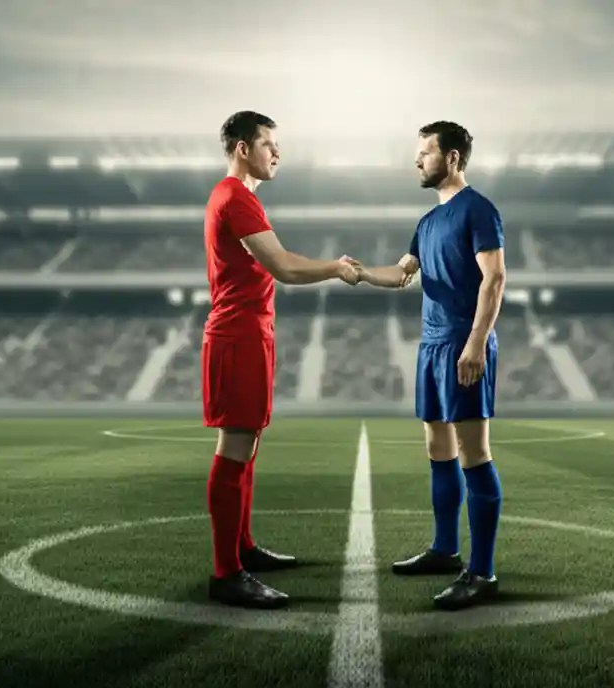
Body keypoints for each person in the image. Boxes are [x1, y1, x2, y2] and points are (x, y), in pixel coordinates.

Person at [203, 110, 361, 609]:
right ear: (242, 148)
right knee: (235, 446)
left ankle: (243, 549)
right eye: (269, 143)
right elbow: (284, 266)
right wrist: (337, 268)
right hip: (237, 336)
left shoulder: (237, 198)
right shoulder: (235, 198)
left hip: (252, 335)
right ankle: (227, 574)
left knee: (247, 444)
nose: (278, 152)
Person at [352, 120, 506, 611]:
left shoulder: (478, 209)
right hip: (432, 344)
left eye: (426, 152)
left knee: (474, 453)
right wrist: (358, 274)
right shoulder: (426, 222)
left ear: (454, 158)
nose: (417, 160)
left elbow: (495, 279)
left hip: (463, 341)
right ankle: (445, 550)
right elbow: (401, 274)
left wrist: (476, 344)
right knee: (438, 448)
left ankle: (481, 572)